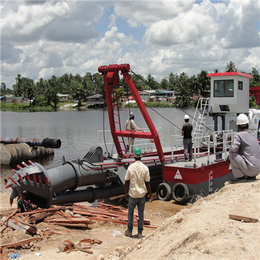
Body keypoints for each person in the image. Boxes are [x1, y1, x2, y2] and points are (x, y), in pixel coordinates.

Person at [124, 147, 153, 239]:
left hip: (132, 194)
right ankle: (140, 232)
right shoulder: (145, 168)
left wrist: (125, 193)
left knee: (130, 213)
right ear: (141, 156)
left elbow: (126, 181)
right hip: (142, 195)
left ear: (134, 156)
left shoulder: (130, 167)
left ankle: (129, 231)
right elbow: (148, 183)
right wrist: (150, 195)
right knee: (141, 213)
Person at [228, 113, 260, 184]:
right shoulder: (253, 134)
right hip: (257, 170)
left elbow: (233, 149)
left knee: (232, 154)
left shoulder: (239, 135)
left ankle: (239, 177)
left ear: (238, 126)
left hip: (250, 170)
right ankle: (251, 177)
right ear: (248, 125)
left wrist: (229, 154)